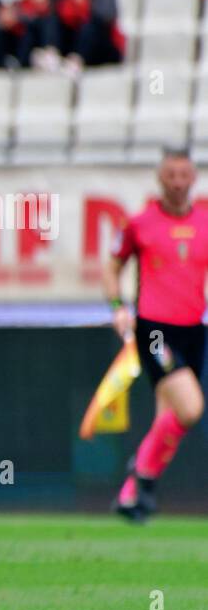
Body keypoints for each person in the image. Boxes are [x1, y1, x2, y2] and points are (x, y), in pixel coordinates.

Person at [105, 149, 207, 522]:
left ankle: (132, 494)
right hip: (155, 330)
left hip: (193, 329)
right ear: (160, 179)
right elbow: (112, 266)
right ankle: (143, 475)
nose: (178, 182)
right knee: (191, 408)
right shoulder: (140, 223)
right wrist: (118, 306)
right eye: (171, 175)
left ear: (193, 178)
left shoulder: (205, 221)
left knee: (171, 418)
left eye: (184, 175)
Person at [42, 0, 124, 74]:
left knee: (89, 26)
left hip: (100, 45)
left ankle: (77, 59)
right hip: (72, 43)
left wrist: (81, 5)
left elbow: (105, 18)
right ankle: (52, 55)